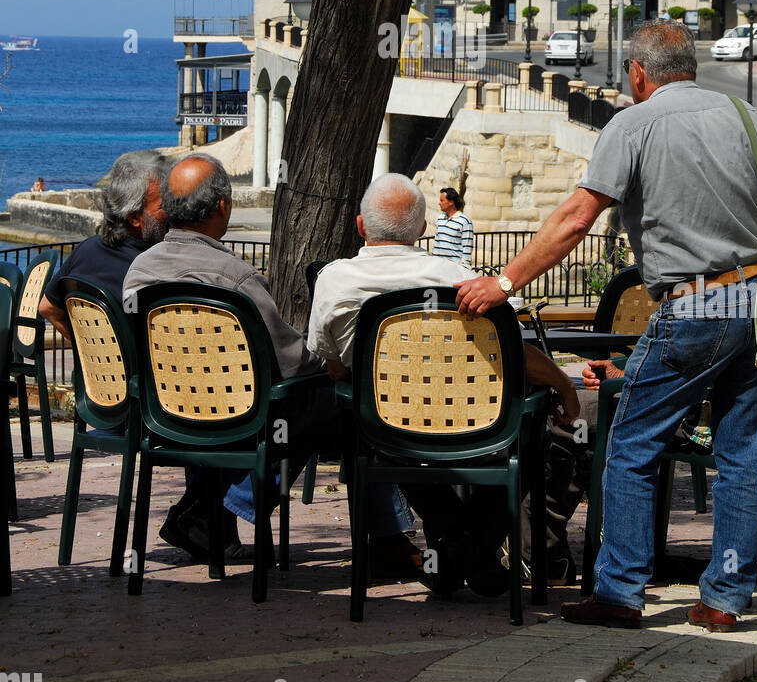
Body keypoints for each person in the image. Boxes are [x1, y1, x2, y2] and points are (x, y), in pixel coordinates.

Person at [456, 21, 757, 632]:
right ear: (689, 65)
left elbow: (574, 219)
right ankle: (723, 600)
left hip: (696, 308)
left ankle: (619, 592)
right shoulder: (752, 120)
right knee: (743, 456)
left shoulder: (633, 124)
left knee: (631, 444)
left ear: (640, 74)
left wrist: (504, 283)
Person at [123, 154, 414, 572]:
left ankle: (206, 510)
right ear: (223, 208)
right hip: (241, 416)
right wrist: (337, 360)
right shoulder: (234, 278)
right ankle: (386, 540)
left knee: (297, 413)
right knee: (349, 404)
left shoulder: (138, 273)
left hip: (167, 414)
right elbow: (292, 363)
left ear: (168, 207)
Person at [307, 173, 581, 594]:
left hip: (383, 428)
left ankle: (456, 545)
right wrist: (562, 383)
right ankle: (478, 549)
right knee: (529, 434)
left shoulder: (332, 279)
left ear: (361, 226)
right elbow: (512, 350)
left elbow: (336, 371)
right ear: (421, 230)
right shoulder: (457, 277)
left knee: (387, 442)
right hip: (472, 423)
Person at [39, 149, 171, 340]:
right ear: (134, 217)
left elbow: (47, 308)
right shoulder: (151, 266)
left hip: (96, 370)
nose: (172, 212)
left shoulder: (86, 250)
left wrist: (91, 353)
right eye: (164, 206)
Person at [432, 187, 474, 265]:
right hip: (438, 266)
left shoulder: (464, 221)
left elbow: (467, 247)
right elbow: (437, 241)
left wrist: (464, 267)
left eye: (442, 200)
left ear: (451, 202)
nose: (439, 203)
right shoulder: (440, 218)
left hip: (455, 267)